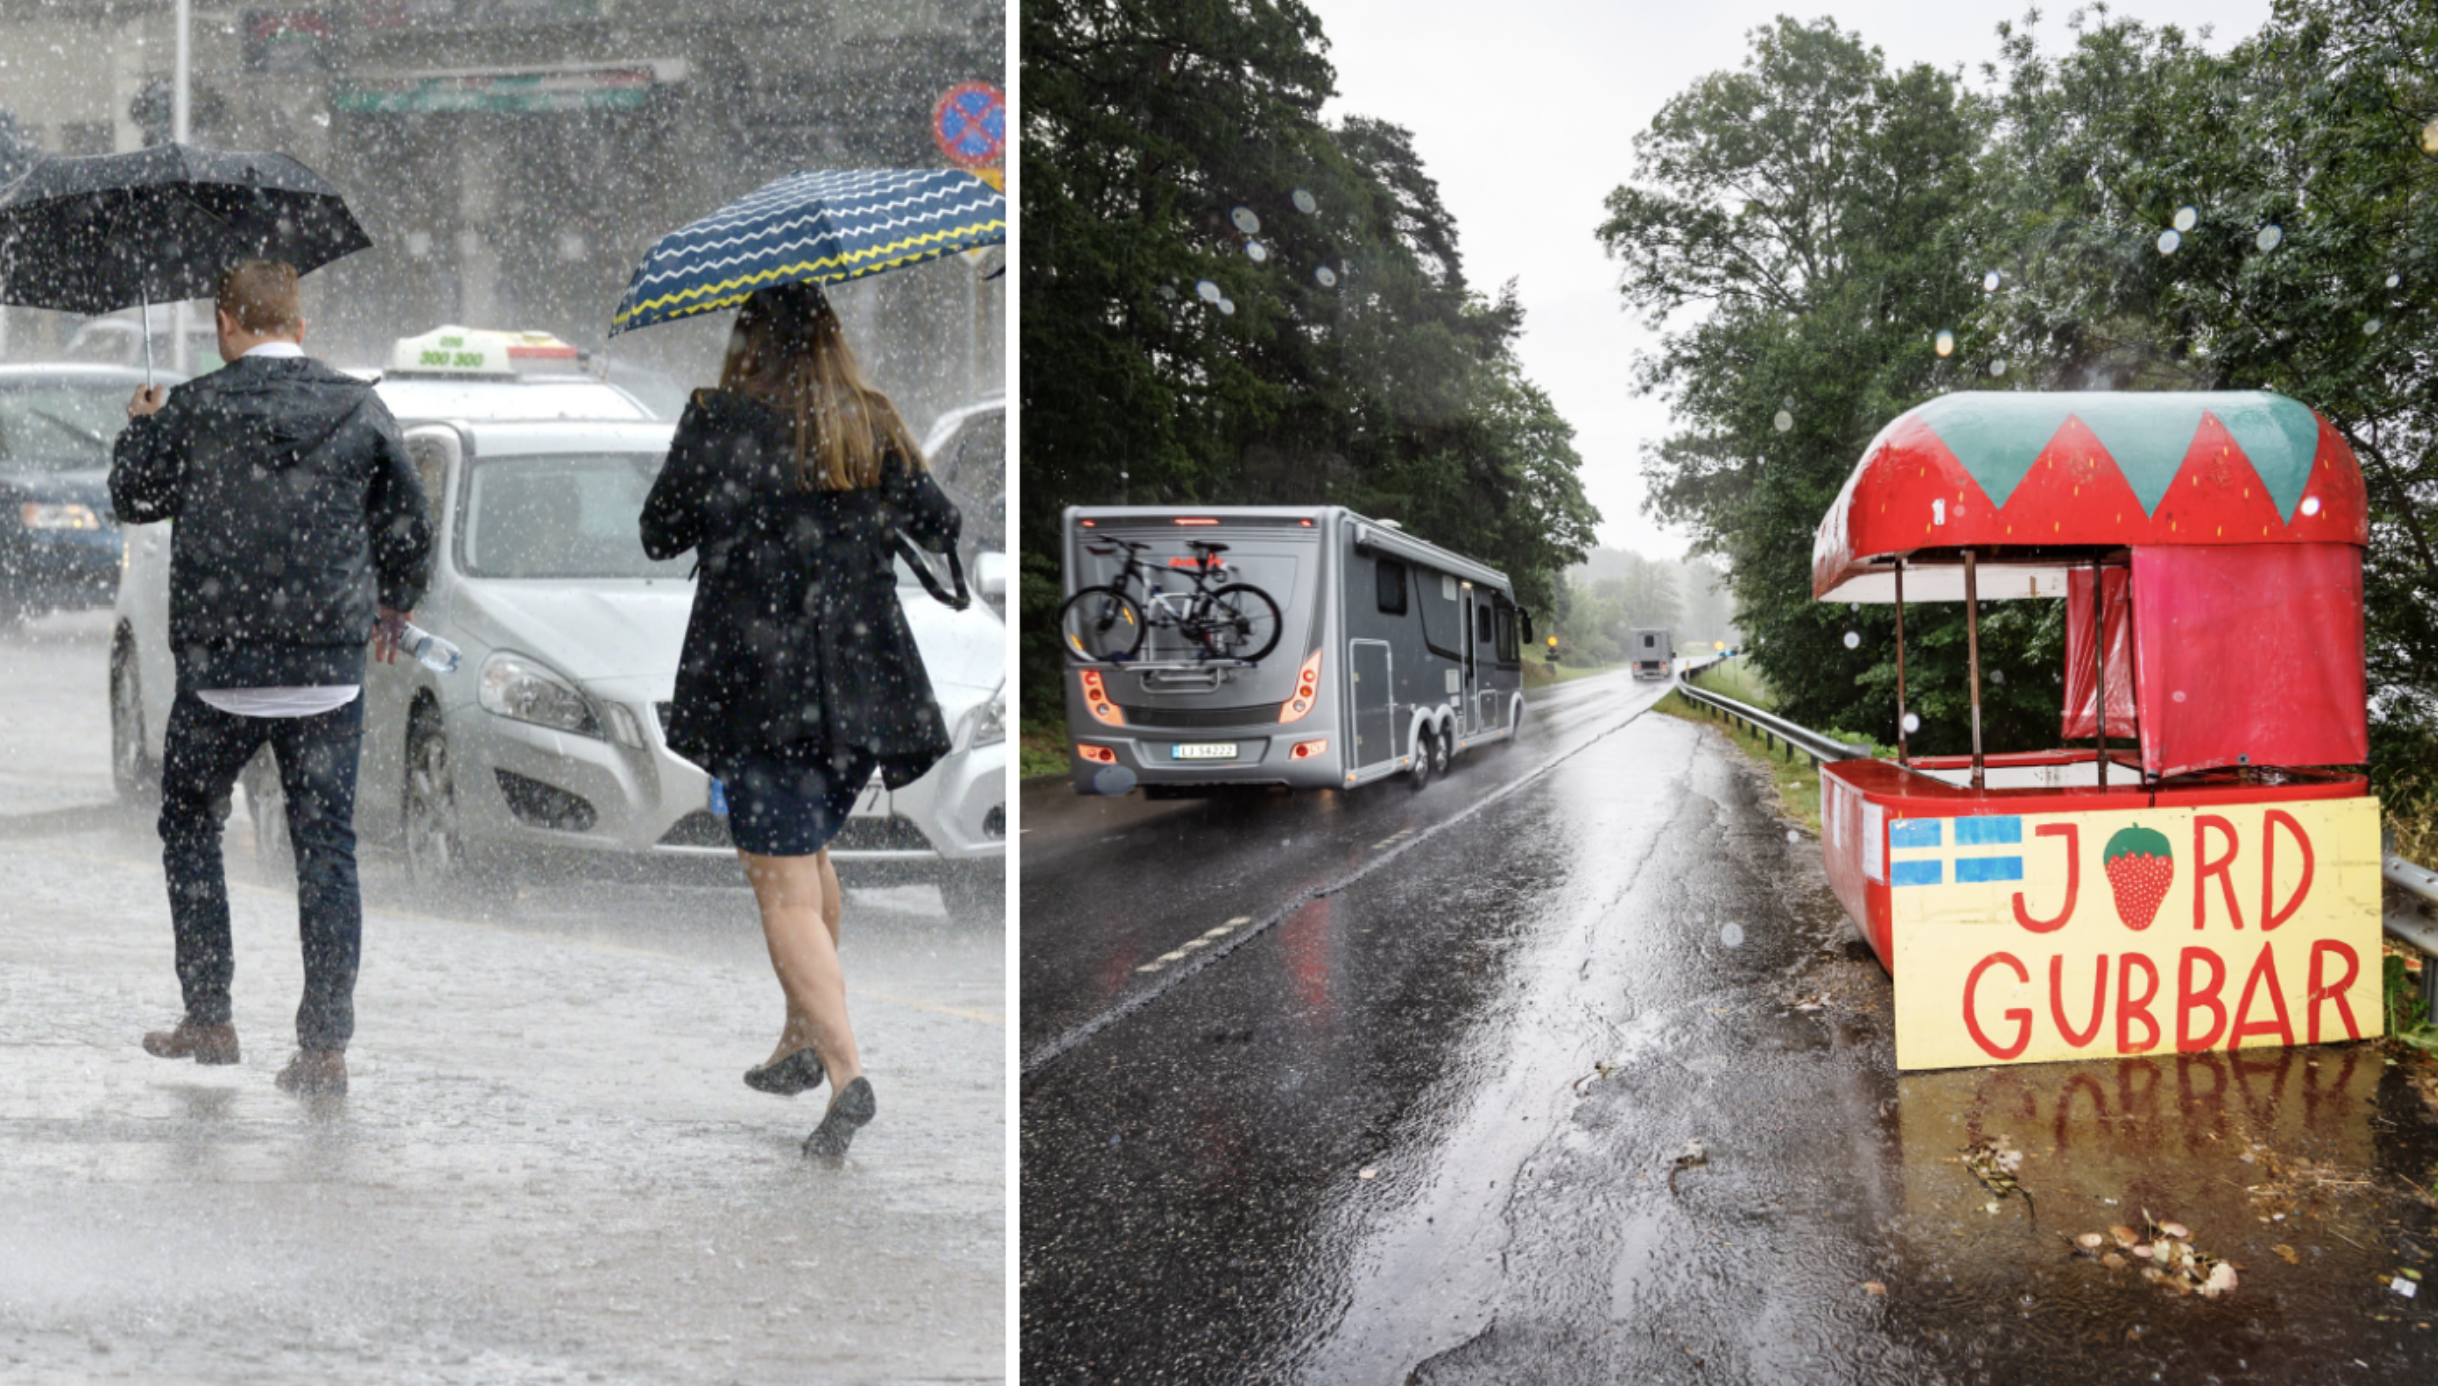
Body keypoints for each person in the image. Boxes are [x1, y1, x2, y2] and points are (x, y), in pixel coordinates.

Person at [641, 281, 962, 1163]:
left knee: (779, 880)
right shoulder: (870, 416)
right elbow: (942, 523)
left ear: (748, 341)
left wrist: (730, 495)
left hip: (758, 680)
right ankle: (796, 1037)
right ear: (832, 338)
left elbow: (658, 532)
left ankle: (846, 1070)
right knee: (798, 856)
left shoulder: (718, 419)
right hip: (861, 680)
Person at [110, 259, 431, 1097]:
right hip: (326, 671)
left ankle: (210, 1015)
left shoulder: (193, 407)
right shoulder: (359, 405)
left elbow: (134, 498)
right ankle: (324, 1047)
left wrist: (143, 424)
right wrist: (393, 602)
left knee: (189, 822)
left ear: (225, 323)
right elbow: (407, 520)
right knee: (328, 850)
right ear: (300, 326)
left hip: (222, 670)